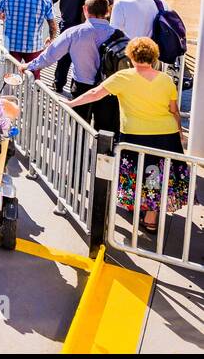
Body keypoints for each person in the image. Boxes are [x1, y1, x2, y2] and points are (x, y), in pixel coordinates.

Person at [66, 37, 184, 231]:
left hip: (135, 134)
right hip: (166, 134)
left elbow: (95, 93)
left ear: (130, 55)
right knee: (158, 175)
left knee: (137, 173)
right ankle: (151, 217)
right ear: (154, 57)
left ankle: (139, 206)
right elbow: (174, 110)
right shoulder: (166, 80)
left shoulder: (123, 77)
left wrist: (71, 103)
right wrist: (179, 133)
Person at [26, 0, 120, 131]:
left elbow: (50, 56)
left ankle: (79, 151)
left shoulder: (74, 33)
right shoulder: (118, 34)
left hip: (81, 87)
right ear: (107, 12)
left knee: (78, 129)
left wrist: (29, 66)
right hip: (109, 88)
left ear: (85, 9)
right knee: (106, 132)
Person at [46, 0, 111, 94]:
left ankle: (58, 84)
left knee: (64, 57)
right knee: (88, 58)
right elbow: (110, 0)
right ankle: (83, 88)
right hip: (92, 26)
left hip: (68, 25)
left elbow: (48, 2)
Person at [0, 0, 56, 75]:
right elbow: (52, 25)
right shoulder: (44, 0)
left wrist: (5, 16)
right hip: (33, 45)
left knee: (9, 75)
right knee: (34, 76)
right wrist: (51, 38)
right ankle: (34, 91)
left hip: (11, 45)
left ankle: (9, 91)